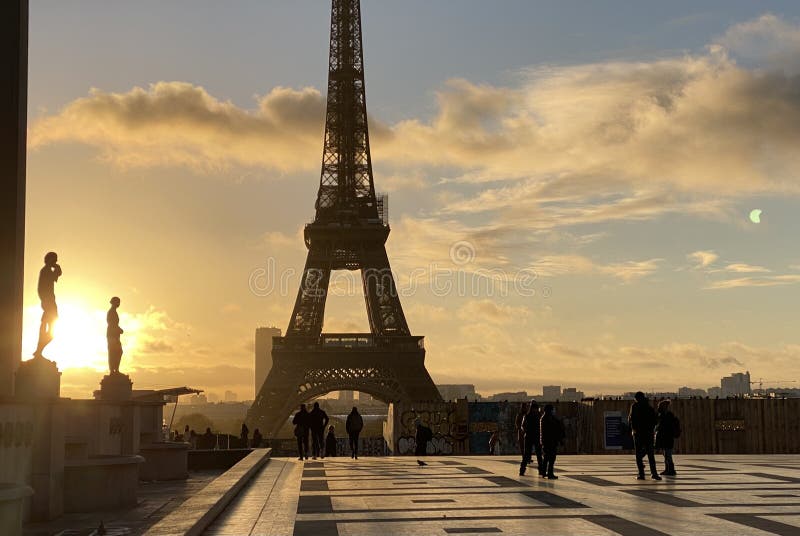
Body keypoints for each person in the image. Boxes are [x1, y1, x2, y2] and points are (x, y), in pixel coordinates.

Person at [34, 251, 62, 358]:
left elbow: (57, 275)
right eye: (54, 259)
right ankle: (38, 351)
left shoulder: (48, 271)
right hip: (48, 303)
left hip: (50, 302)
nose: (55, 261)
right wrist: (44, 301)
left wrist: (57, 266)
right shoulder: (46, 271)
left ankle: (39, 350)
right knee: (46, 328)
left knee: (50, 331)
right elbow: (40, 288)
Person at [629, 391, 662, 480]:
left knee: (638, 454)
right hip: (648, 433)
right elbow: (655, 420)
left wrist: (634, 429)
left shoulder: (635, 406)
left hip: (638, 433)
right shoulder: (649, 407)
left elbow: (631, 419)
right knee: (651, 454)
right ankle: (654, 473)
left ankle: (641, 473)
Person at [539, 404, 564, 479]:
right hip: (550, 441)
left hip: (547, 441)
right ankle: (549, 473)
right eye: (552, 410)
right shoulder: (548, 419)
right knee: (551, 458)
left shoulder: (545, 418)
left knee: (547, 458)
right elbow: (553, 430)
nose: (553, 411)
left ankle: (544, 472)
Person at [655, 399, 679, 476]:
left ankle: (671, 470)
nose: (658, 407)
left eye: (659, 406)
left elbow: (664, 427)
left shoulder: (666, 415)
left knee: (667, 454)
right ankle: (668, 469)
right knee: (666, 454)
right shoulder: (666, 415)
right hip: (666, 437)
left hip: (667, 437)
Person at [519, 401, 543, 476]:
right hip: (534, 436)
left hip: (530, 436)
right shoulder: (538, 416)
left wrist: (526, 431)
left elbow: (522, 426)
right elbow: (523, 426)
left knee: (530, 454)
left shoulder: (527, 416)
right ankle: (541, 470)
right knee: (537, 454)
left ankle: (522, 470)